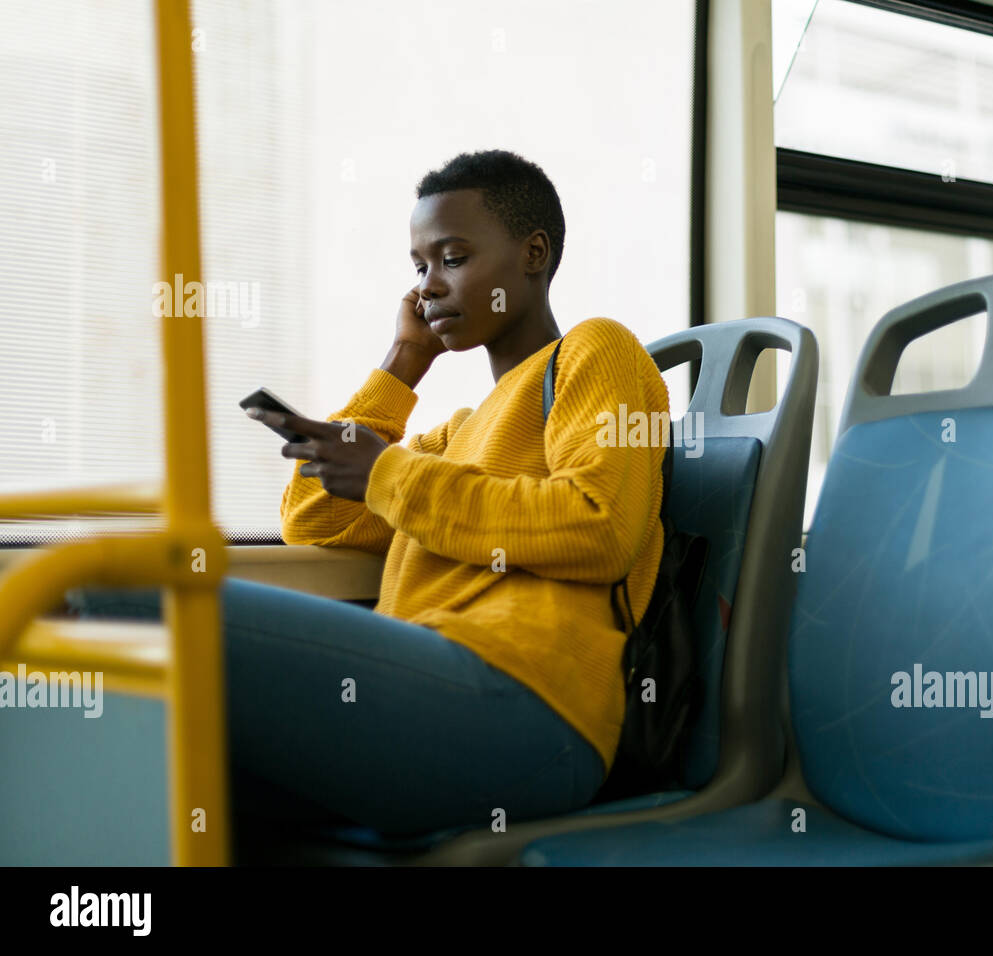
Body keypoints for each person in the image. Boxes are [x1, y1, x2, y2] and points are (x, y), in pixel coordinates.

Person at [69, 150, 669, 838]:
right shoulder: (459, 436)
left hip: (526, 709)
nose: (428, 288)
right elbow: (314, 523)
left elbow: (600, 527)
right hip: (430, 687)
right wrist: (403, 364)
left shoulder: (598, 353)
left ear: (533, 254)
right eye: (419, 268)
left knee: (121, 593)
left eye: (452, 258)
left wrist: (385, 473)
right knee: (178, 777)